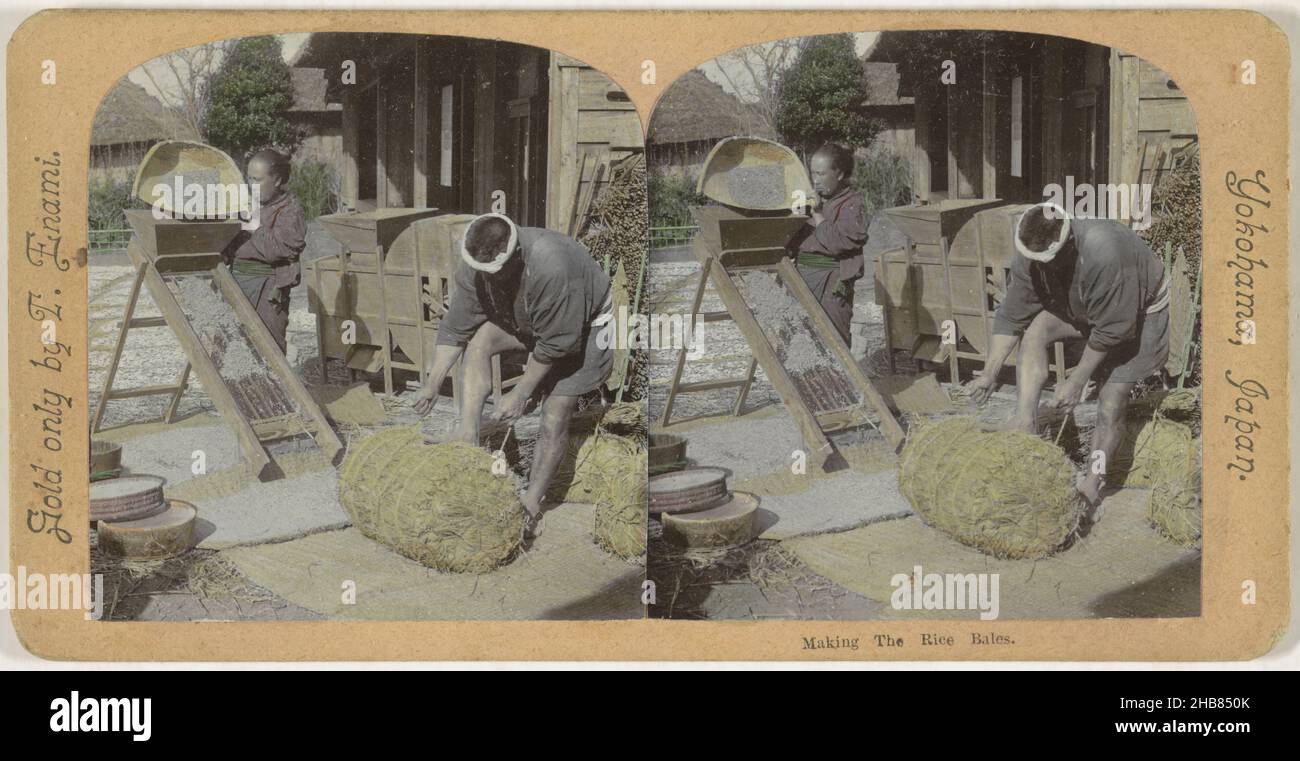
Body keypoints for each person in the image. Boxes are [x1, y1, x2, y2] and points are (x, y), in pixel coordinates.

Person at [412, 213, 614, 531]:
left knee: (554, 413)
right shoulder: (477, 265)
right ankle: (468, 436)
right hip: (531, 319)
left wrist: (521, 393)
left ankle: (531, 502)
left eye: (494, 272)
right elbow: (456, 328)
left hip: (584, 329)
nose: (487, 279)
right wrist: (433, 383)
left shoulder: (552, 265)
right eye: (482, 272)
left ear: (513, 251)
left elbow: (556, 346)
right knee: (480, 340)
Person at [966, 202, 1170, 508]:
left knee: (1111, 403)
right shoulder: (1032, 252)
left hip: (1138, 315)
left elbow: (1112, 332)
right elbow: (1012, 316)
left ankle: (1092, 484)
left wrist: (1076, 380)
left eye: (1049, 260)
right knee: (1036, 329)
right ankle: (1025, 422)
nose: (1042, 267)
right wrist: (989, 373)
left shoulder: (1106, 251)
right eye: (1038, 262)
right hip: (1087, 304)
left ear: (1069, 241)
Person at [225, 149, 307, 353]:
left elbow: (280, 249)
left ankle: (275, 385)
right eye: (249, 179)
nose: (252, 186)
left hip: (268, 285)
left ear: (277, 180)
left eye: (258, 180)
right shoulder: (245, 204)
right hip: (238, 280)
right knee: (234, 345)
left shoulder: (290, 209)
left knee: (268, 346)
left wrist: (255, 226)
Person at [789, 142, 867, 345]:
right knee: (802, 339)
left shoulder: (852, 203)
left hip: (831, 280)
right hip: (803, 275)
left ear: (839, 174)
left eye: (821, 174)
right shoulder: (811, 200)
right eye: (813, 174)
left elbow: (837, 242)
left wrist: (817, 214)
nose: (815, 181)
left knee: (834, 340)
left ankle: (840, 378)